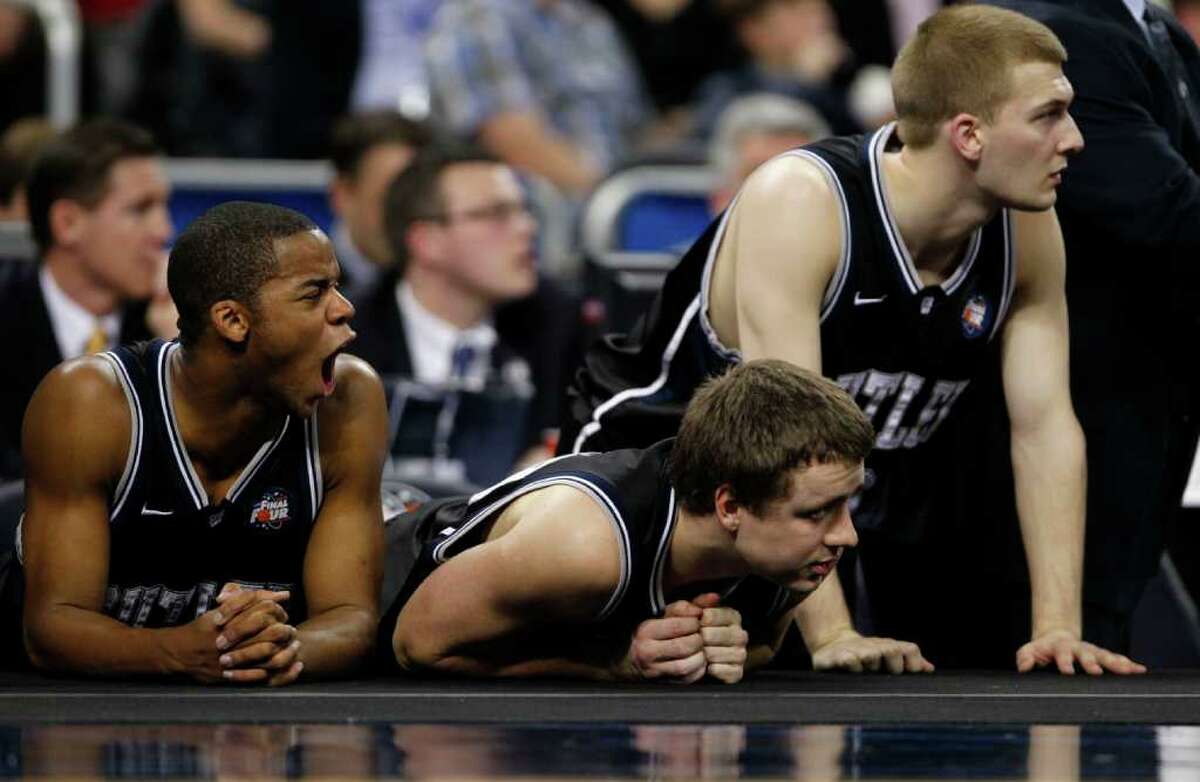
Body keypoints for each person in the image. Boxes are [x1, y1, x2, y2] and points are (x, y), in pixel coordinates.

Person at [561, 5, 1144, 674]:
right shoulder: (803, 201)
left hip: (816, 511)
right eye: (1048, 115)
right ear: (968, 135)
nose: (1074, 139)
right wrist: (832, 635)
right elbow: (780, 441)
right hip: (656, 470)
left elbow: (1044, 429)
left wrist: (1057, 628)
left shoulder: (1028, 228)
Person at [12, 201, 388, 683]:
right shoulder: (91, 403)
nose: (345, 308)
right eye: (314, 293)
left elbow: (351, 617)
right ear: (232, 320)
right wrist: (176, 652)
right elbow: (51, 627)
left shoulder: (350, 400)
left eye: (337, 286)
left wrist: (283, 648)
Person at [381, 359, 883, 681]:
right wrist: (612, 663)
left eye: (846, 506)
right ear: (730, 507)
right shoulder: (584, 546)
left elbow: (766, 645)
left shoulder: (791, 557)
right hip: (376, 569)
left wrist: (720, 649)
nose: (846, 535)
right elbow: (417, 644)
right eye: (817, 513)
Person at [976, 0, 1200, 655]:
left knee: (1100, 633)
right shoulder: (1058, 27)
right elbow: (1166, 210)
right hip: (1070, 397)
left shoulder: (1158, 31)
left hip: (1146, 403)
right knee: (1024, 672)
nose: (1065, 134)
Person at [351, 144, 586, 490]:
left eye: (525, 210)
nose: (527, 228)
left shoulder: (561, 325)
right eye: (496, 214)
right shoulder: (348, 335)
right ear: (426, 241)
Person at [0, 119, 175, 482]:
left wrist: (182, 355)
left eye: (162, 207)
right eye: (140, 210)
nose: (164, 231)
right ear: (68, 223)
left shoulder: (173, 327)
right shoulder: (7, 317)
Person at [423, 0, 650, 197]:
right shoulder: (477, 18)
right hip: (541, 217)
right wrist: (611, 197)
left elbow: (637, 130)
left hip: (618, 201)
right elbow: (515, 142)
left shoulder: (588, 19)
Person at [328, 110, 432, 303]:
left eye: (415, 198)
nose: (404, 214)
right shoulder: (293, 289)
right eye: (390, 198)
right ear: (342, 196)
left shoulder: (444, 284)